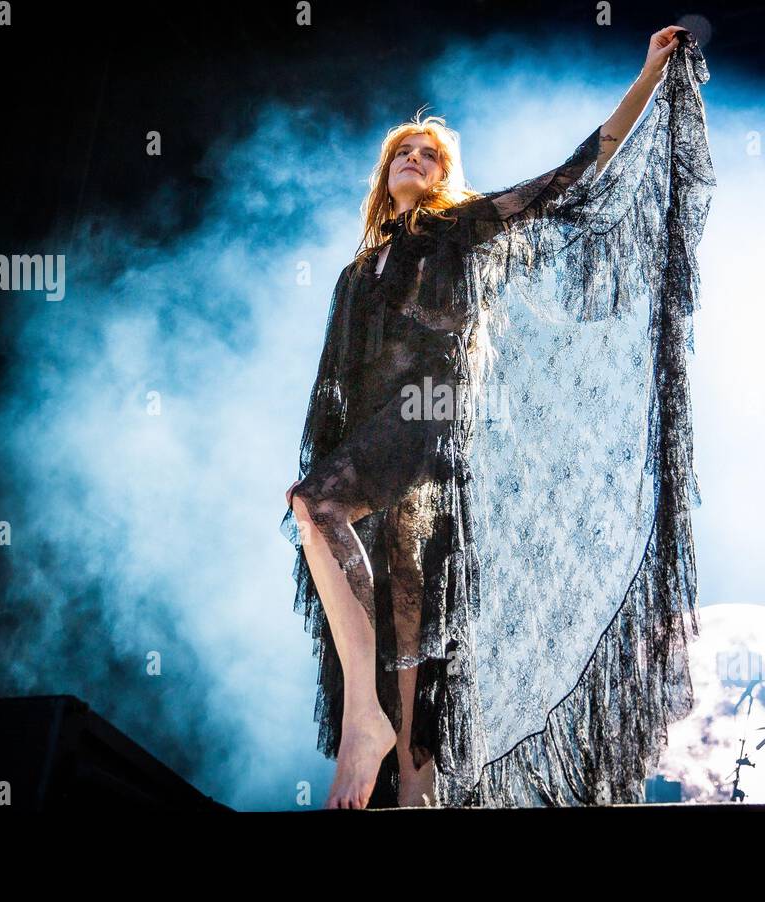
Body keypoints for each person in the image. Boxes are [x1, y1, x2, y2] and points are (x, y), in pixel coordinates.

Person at [281, 25, 715, 808]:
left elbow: (573, 175)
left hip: (430, 415)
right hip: (383, 441)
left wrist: (647, 78)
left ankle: (360, 722)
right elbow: (337, 389)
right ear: (385, 174)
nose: (417, 160)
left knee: (315, 505)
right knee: (408, 631)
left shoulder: (460, 228)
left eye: (432, 155)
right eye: (405, 153)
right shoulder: (354, 273)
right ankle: (414, 785)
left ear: (444, 178)